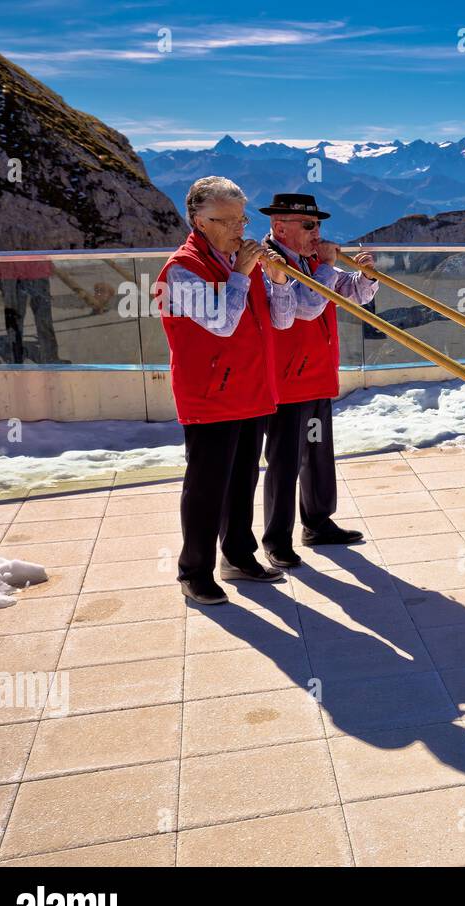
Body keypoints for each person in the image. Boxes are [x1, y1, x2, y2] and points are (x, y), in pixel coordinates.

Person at [158, 176, 297, 605]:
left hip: (252, 388)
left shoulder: (245, 261)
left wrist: (276, 280)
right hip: (209, 394)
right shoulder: (181, 269)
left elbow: (283, 321)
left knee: (242, 480)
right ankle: (193, 570)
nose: (240, 228)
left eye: (242, 218)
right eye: (228, 220)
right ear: (199, 220)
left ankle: (238, 554)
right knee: (206, 487)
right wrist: (241, 275)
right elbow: (221, 322)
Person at [258, 193, 376, 568]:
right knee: (284, 461)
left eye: (318, 225)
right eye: (308, 226)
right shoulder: (269, 264)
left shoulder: (310, 261)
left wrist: (366, 276)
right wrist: (326, 265)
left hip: (316, 375)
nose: (316, 232)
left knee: (317, 454)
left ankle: (318, 522)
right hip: (287, 379)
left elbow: (350, 294)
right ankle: (276, 539)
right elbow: (306, 309)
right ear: (280, 227)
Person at [0, 258, 58, 364]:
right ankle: (15, 359)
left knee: (43, 316)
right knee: (15, 318)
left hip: (37, 268)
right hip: (11, 270)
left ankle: (50, 358)